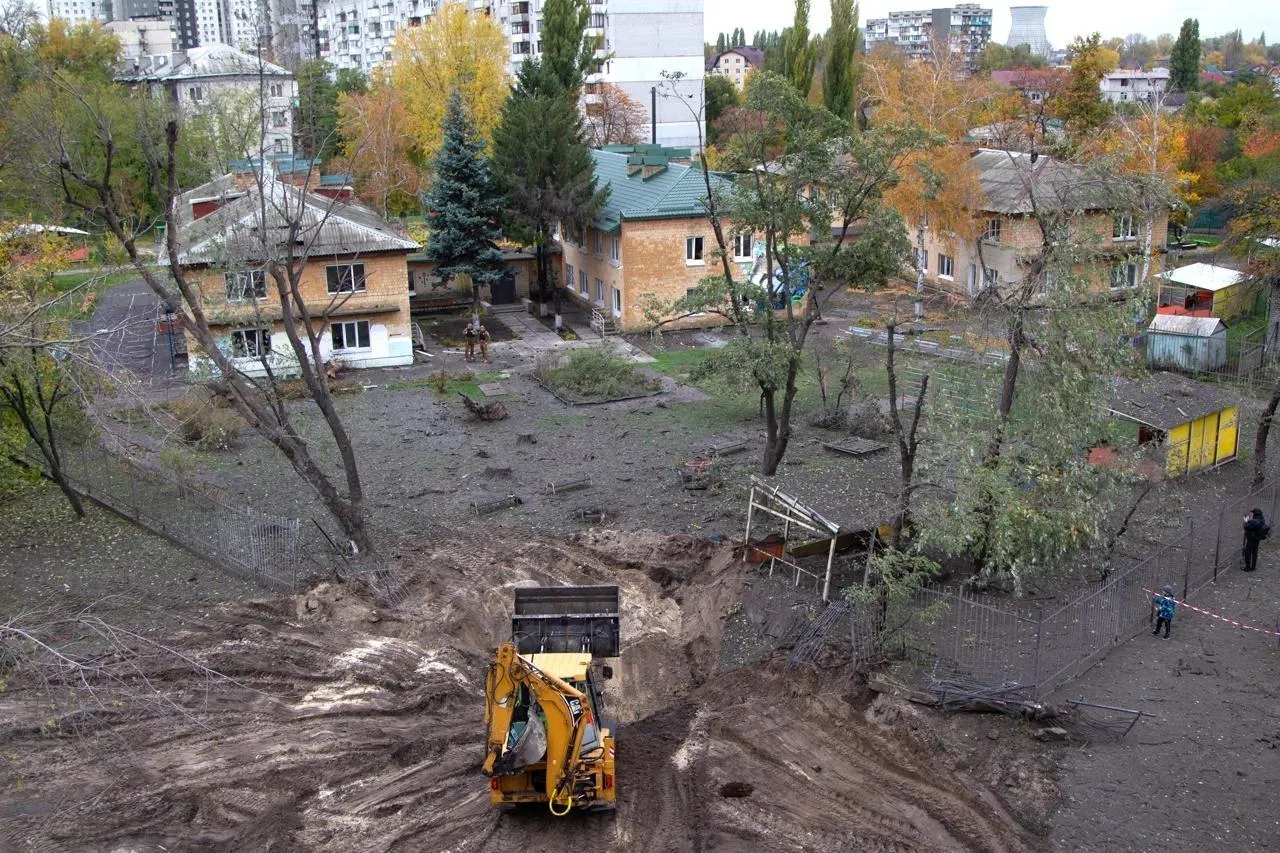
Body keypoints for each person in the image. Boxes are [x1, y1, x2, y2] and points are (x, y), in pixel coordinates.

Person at [1242, 507, 1269, 572]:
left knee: (1248, 552)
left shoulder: (1255, 522)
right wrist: (1250, 521)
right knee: (1255, 552)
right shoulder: (1261, 519)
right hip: (1257, 538)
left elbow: (1246, 526)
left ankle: (1247, 567)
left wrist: (1246, 521)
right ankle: (1253, 566)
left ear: (1255, 514)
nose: (1252, 514)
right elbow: (1254, 524)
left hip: (1251, 539)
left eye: (1253, 513)